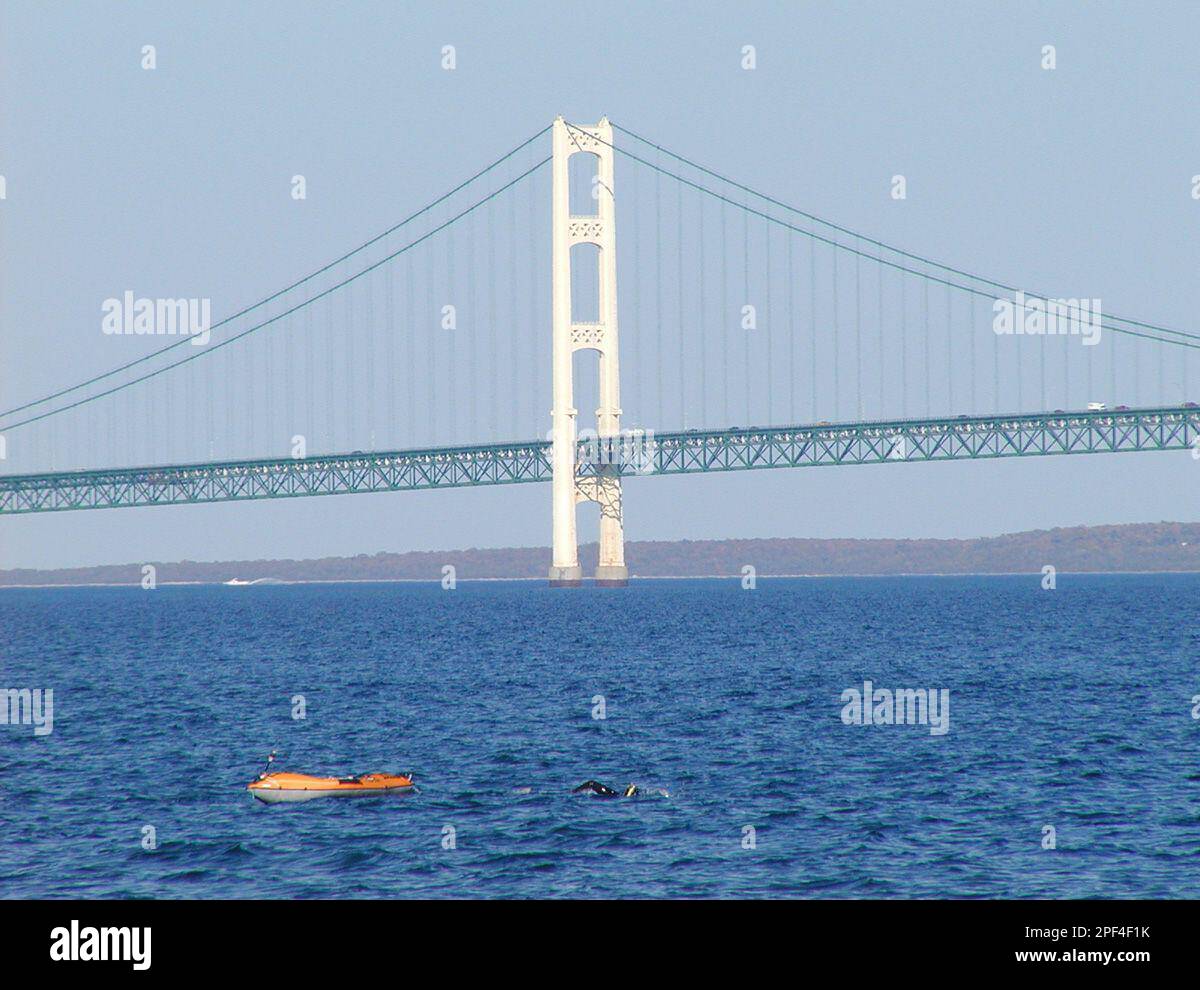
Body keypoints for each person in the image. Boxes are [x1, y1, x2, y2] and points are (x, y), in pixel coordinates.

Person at [573, 780, 638, 797]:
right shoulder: (618, 795)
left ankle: (573, 792)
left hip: (613, 796)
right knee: (591, 783)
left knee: (591, 783)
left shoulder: (617, 796)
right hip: (615, 796)